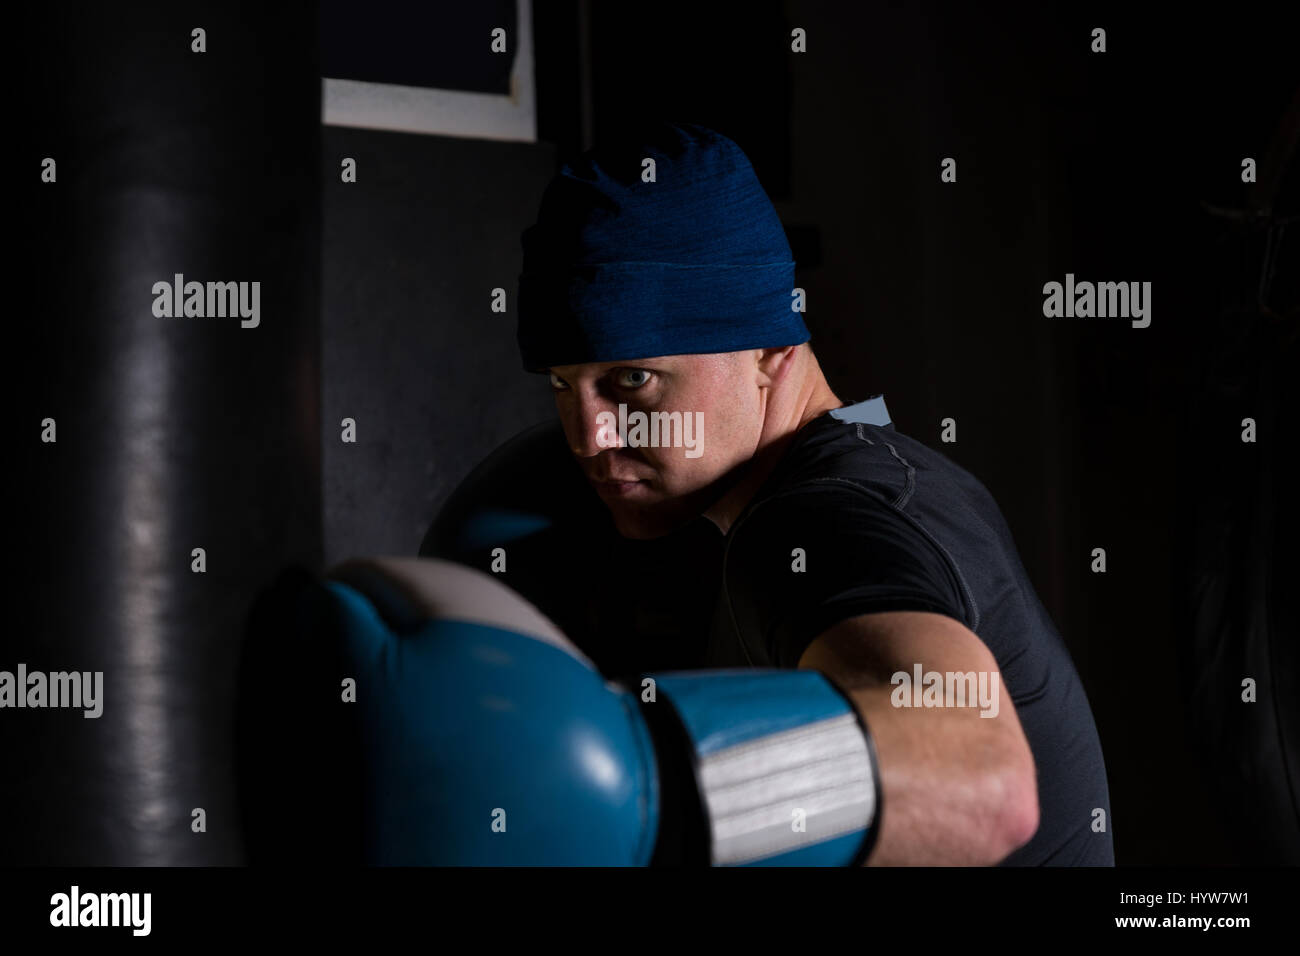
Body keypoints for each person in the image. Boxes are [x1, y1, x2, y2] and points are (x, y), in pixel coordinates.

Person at [426, 121, 1113, 865]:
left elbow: (982, 781)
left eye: (633, 380)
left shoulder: (814, 520)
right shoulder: (884, 466)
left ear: (768, 350)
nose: (590, 436)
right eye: (565, 385)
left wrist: (628, 788)